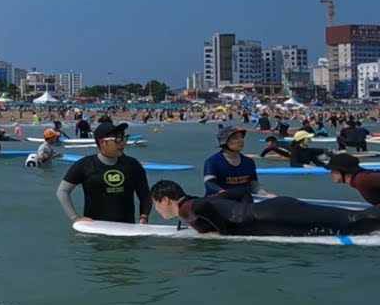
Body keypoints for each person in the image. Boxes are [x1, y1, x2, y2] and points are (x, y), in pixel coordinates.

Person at [149, 180, 380, 237]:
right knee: (345, 222)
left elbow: (205, 206)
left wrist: (225, 233)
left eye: (156, 204)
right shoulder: (196, 200)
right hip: (272, 211)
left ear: (166, 199)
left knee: (350, 219)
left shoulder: (187, 207)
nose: (157, 210)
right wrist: (247, 213)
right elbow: (242, 191)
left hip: (273, 215)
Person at [56, 122, 151, 224]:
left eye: (124, 138)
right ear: (102, 142)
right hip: (95, 232)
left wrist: (144, 217)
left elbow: (145, 195)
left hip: (126, 231)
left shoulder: (133, 165)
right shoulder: (85, 165)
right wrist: (75, 218)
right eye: (117, 139)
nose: (122, 143)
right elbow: (62, 191)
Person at [202, 126, 267, 196]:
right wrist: (224, 193)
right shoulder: (212, 162)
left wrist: (266, 195)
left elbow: (255, 187)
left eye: (242, 137)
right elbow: (209, 184)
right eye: (235, 138)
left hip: (243, 202)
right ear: (224, 142)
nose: (241, 140)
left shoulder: (249, 162)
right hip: (217, 201)